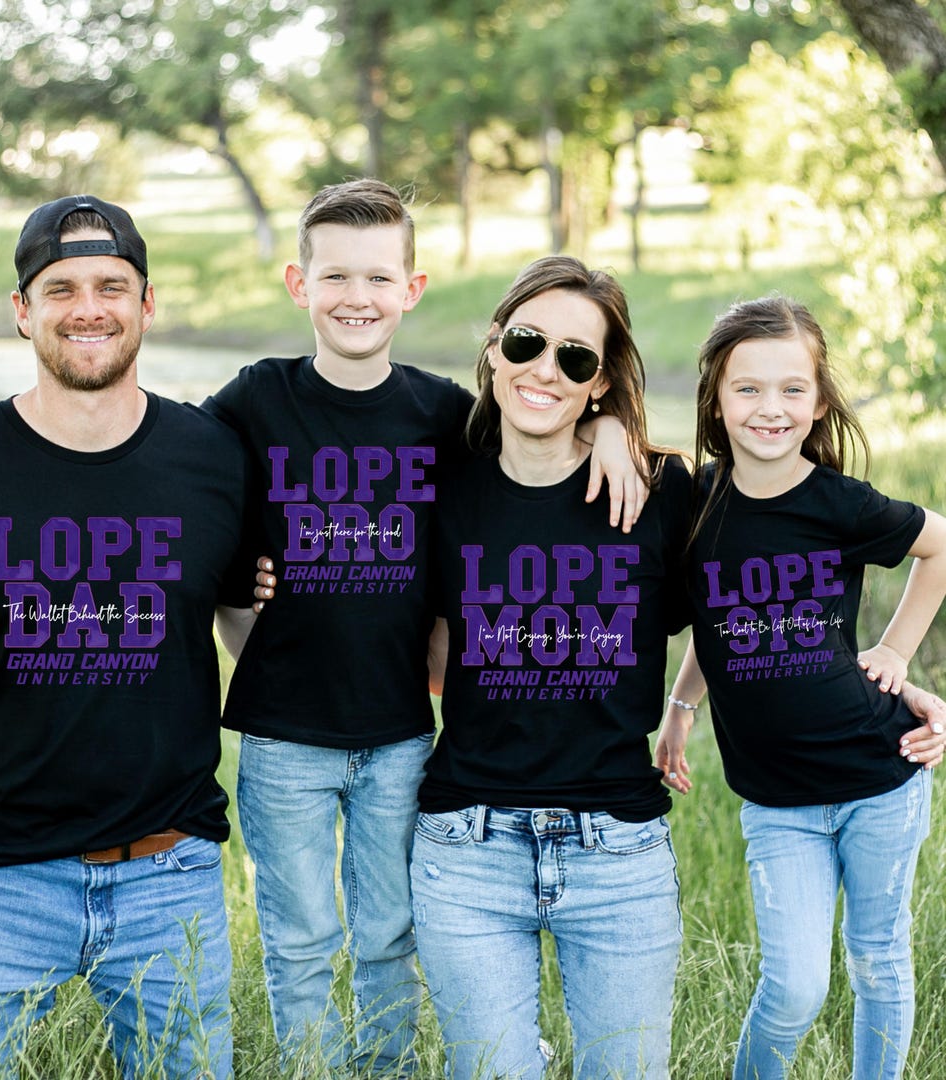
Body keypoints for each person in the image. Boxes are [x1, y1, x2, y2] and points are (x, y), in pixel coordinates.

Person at [200, 180, 642, 1075]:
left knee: (389, 935)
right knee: (299, 941)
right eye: (335, 276)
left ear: (413, 288)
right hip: (281, 736)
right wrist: (232, 585)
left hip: (403, 732)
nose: (356, 297)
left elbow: (539, 432)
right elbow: (175, 474)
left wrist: (609, 431)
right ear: (298, 284)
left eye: (378, 278)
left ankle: (388, 1068)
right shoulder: (255, 399)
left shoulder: (442, 415)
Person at [0, 194, 253, 1079]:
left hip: (169, 879)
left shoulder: (215, 458)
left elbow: (252, 633)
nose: (89, 308)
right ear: (21, 310)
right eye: (61, 288)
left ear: (147, 304)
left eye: (112, 286)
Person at [411, 256, 692, 1080]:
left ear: (601, 382)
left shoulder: (660, 488)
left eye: (575, 358)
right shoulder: (440, 488)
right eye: (527, 343)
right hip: (468, 844)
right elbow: (434, 658)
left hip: (619, 847)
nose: (545, 370)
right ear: (494, 345)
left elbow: (756, 586)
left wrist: (886, 666)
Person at [655, 295, 946, 1080]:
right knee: (793, 986)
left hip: (881, 777)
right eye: (747, 388)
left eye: (792, 388)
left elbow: (941, 546)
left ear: (818, 403)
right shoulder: (697, 506)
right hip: (778, 801)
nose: (770, 408)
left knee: (879, 961)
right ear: (716, 396)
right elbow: (721, 619)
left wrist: (895, 650)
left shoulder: (838, 503)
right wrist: (680, 709)